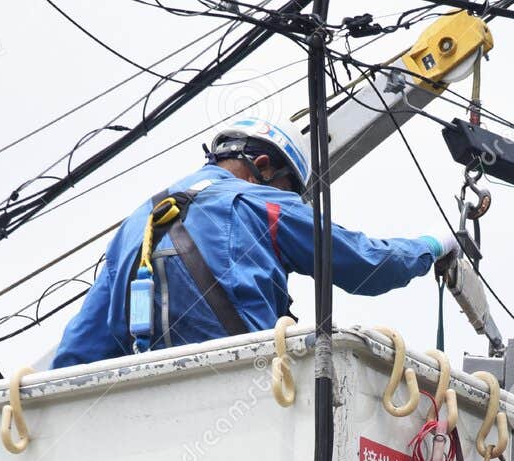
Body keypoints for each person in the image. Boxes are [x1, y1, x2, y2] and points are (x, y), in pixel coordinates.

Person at [52, 116, 457, 367]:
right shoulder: (263, 204)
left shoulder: (134, 226)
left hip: (146, 415)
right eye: (288, 190)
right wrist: (433, 245)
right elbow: (369, 266)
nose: (287, 199)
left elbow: (79, 352)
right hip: (247, 397)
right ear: (262, 167)